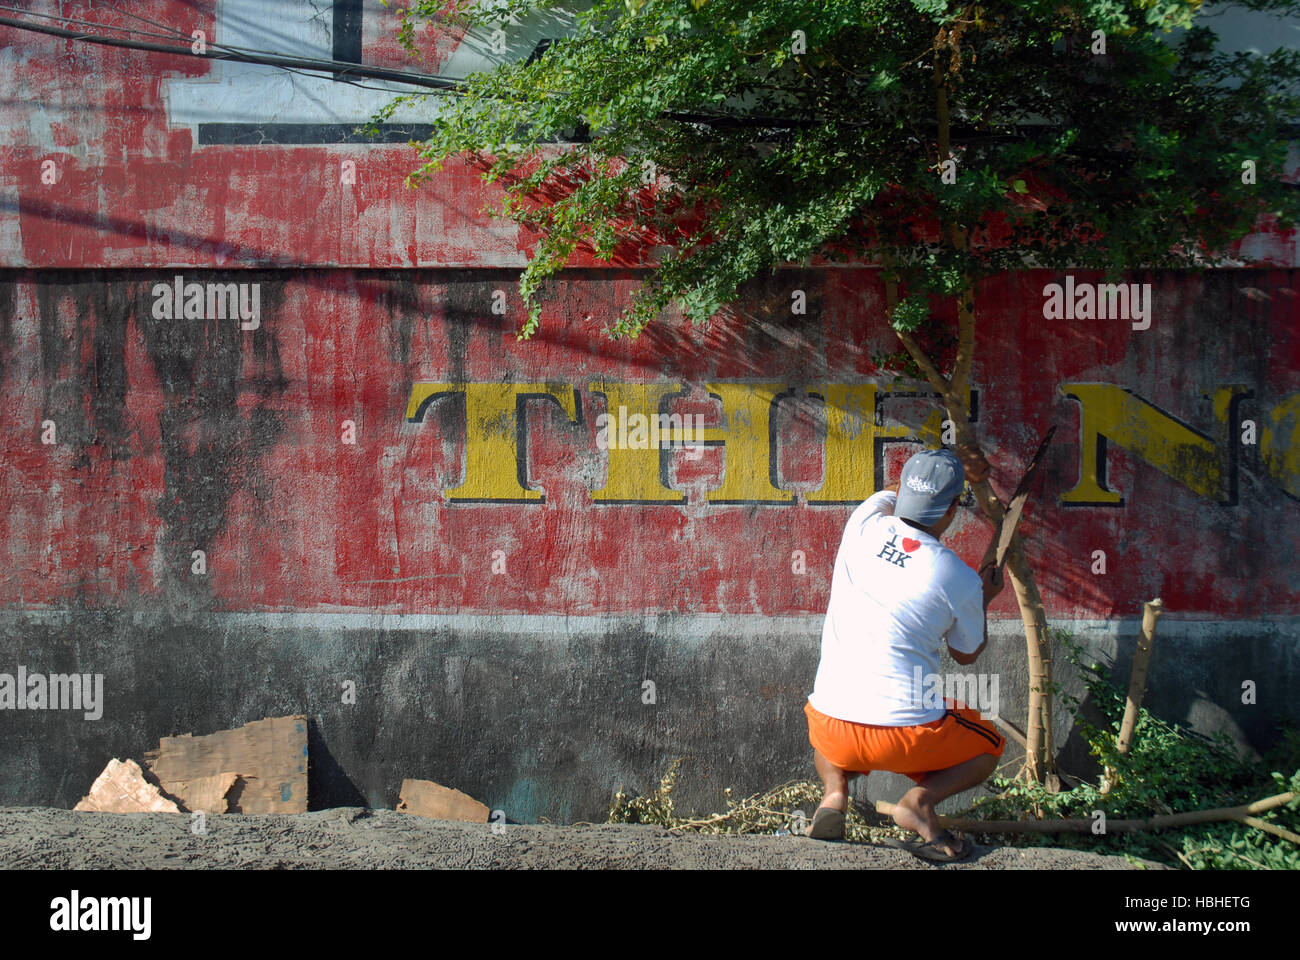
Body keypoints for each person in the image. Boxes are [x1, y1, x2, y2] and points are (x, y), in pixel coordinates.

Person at [802, 443, 1006, 862]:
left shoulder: (862, 523)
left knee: (830, 702)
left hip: (830, 731)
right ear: (951, 511)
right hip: (903, 740)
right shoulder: (958, 577)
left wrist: (940, 472)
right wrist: (982, 598)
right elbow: (966, 655)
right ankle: (918, 804)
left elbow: (893, 493)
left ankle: (834, 794)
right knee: (990, 744)